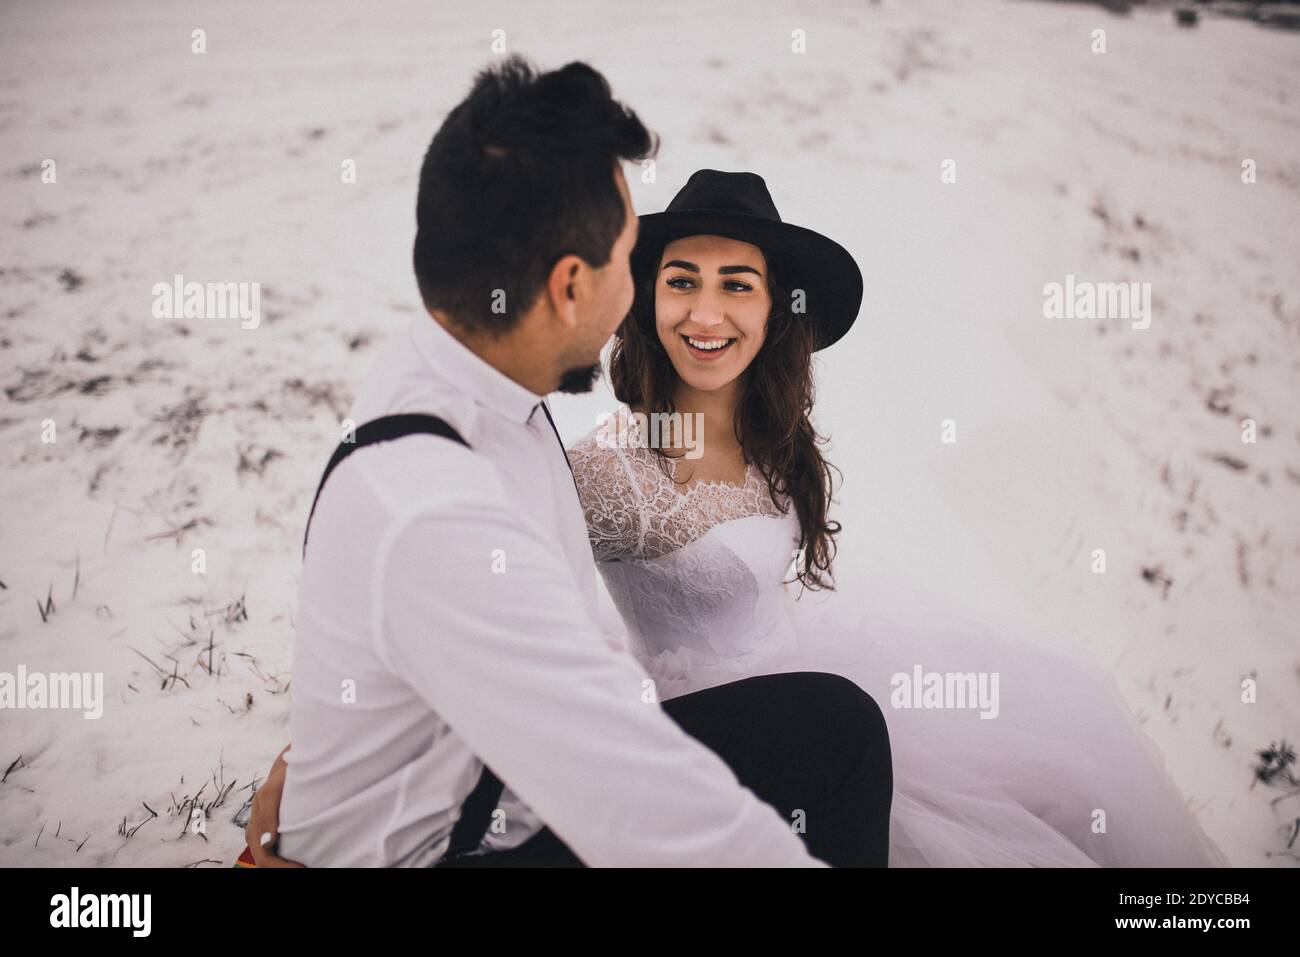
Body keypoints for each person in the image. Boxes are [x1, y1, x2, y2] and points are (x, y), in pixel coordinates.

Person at [241, 58, 894, 868]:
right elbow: (631, 791)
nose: (652, 299)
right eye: (637, 263)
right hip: (462, 847)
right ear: (571, 286)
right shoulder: (438, 508)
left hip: (505, 785)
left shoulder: (475, 383)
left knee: (838, 726)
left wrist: (309, 760)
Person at [564, 167, 1231, 867]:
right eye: (682, 281)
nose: (705, 314)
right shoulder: (612, 474)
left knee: (1051, 785)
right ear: (648, 297)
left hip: (816, 691)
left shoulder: (771, 437)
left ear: (773, 309)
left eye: (736, 284)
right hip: (721, 756)